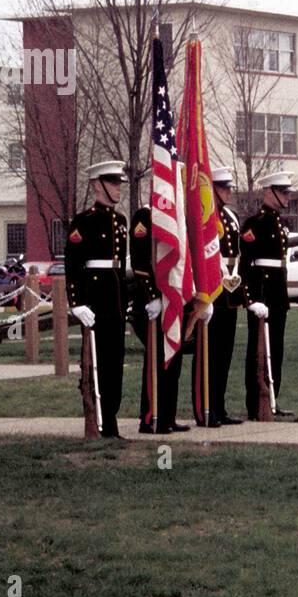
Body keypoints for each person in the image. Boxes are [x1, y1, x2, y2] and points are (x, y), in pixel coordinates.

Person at [65, 161, 130, 438]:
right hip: (95, 299)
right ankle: (98, 419)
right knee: (98, 360)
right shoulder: (84, 221)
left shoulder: (121, 221)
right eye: (113, 183)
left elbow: (120, 266)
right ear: (97, 185)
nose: (118, 189)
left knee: (116, 361)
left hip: (115, 299)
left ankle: (111, 417)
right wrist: (76, 303)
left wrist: (126, 299)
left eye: (119, 183)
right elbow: (73, 265)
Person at [128, 204, 191, 434]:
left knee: (173, 359)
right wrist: (153, 296)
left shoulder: (176, 216)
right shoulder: (145, 215)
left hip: (172, 301)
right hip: (150, 304)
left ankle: (167, 416)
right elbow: (139, 261)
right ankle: (150, 417)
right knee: (156, 360)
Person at [241, 171, 290, 417]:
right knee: (258, 349)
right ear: (268, 192)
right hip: (263, 292)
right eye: (282, 191)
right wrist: (251, 299)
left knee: (276, 348)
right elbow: (246, 265)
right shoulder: (255, 223)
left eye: (287, 191)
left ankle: (272, 398)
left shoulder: (280, 223)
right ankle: (255, 403)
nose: (286, 196)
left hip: (278, 293)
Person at [206, 167, 243, 426]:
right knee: (210, 354)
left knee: (225, 353)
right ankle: (206, 408)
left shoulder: (230, 216)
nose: (228, 192)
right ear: (212, 189)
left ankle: (220, 406)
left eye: (229, 187)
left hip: (229, 290)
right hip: (212, 290)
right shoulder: (206, 215)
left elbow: (236, 254)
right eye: (223, 187)